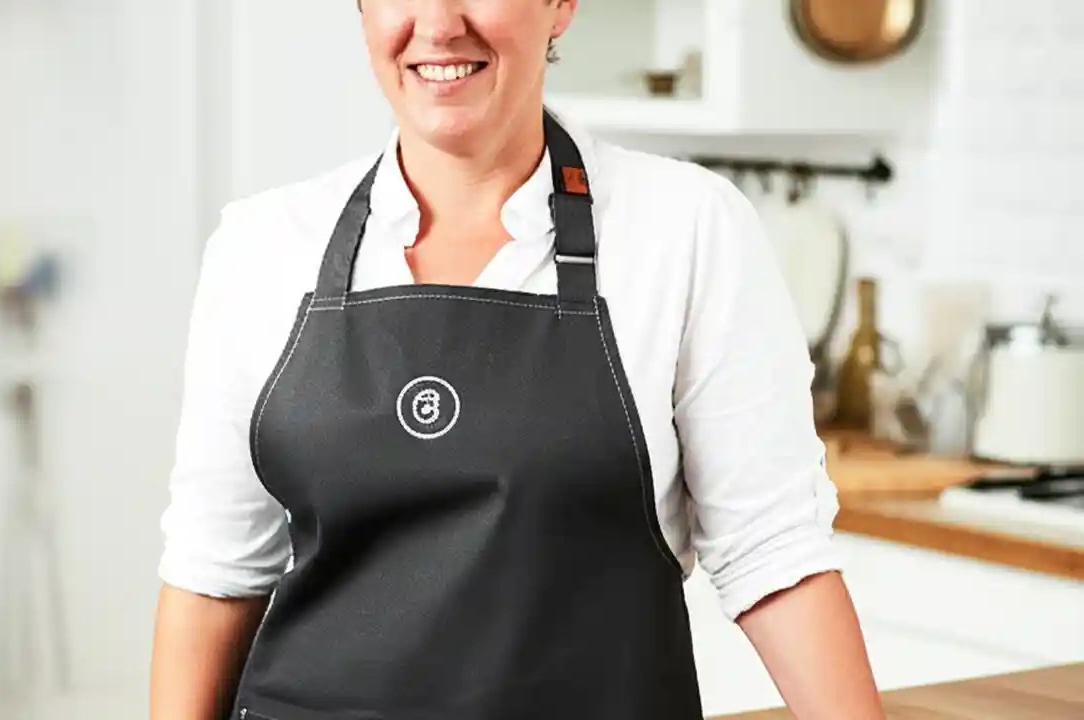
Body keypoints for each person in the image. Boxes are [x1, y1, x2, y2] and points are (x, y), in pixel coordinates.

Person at [151, 1, 884, 718]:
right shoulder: (263, 245)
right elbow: (215, 572)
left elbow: (771, 552)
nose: (438, 24)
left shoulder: (684, 228)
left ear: (560, 6)